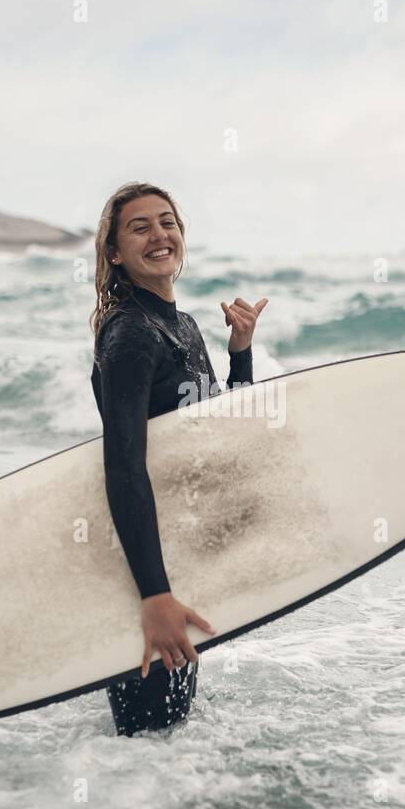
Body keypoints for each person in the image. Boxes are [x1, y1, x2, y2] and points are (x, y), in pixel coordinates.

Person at [89, 182, 268, 736]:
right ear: (116, 253)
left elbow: (218, 433)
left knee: (165, 731)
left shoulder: (182, 326)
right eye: (139, 227)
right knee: (148, 734)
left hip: (177, 547)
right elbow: (122, 465)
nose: (160, 234)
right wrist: (153, 594)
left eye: (167, 222)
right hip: (147, 562)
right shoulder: (131, 336)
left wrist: (240, 355)